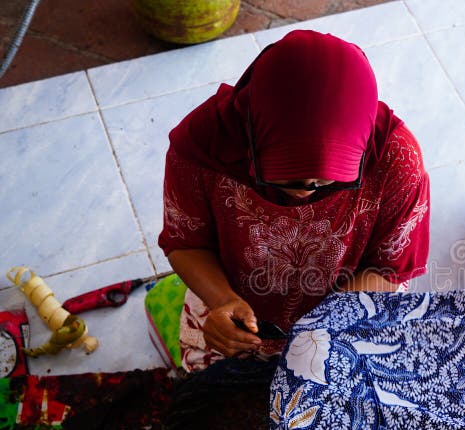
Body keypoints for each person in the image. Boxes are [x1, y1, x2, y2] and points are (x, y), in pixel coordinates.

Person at [158, 30, 430, 372]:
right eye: (286, 177)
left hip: (349, 302)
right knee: (216, 375)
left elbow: (390, 267)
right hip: (235, 300)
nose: (306, 192)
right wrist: (221, 300)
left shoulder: (396, 158)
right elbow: (185, 241)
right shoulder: (205, 145)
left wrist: (322, 325)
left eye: (325, 182)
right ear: (253, 133)